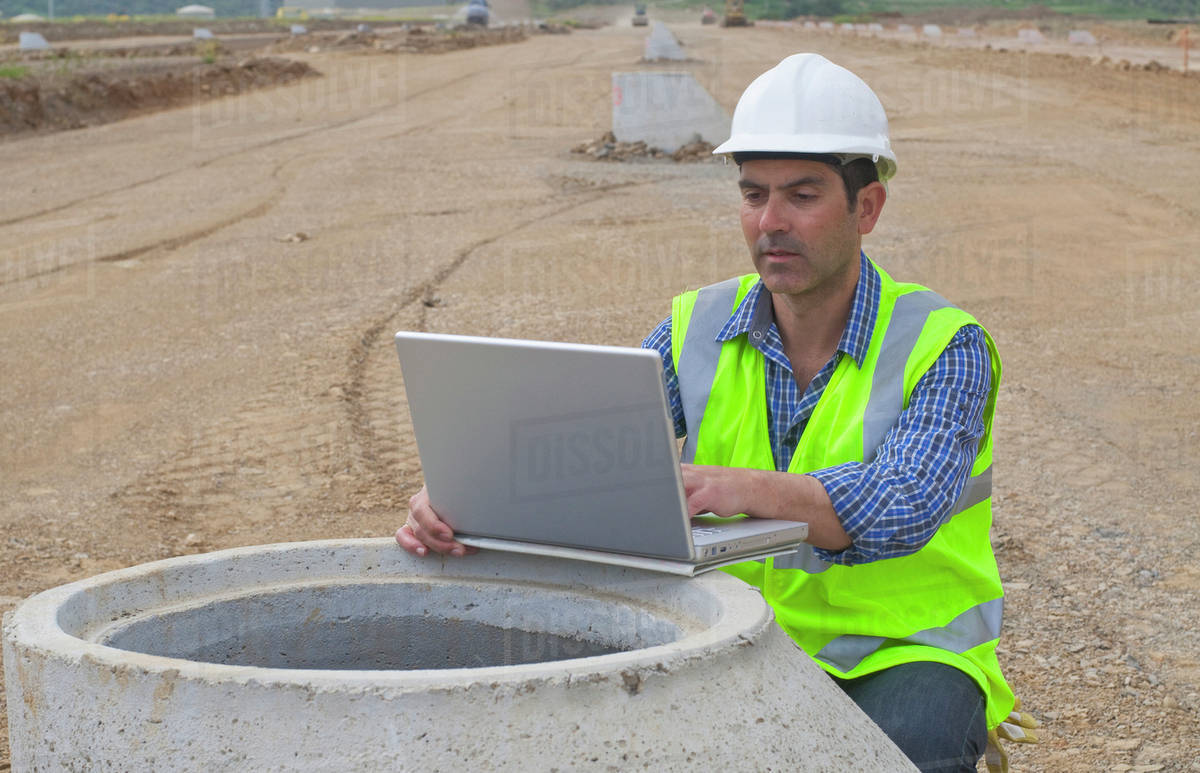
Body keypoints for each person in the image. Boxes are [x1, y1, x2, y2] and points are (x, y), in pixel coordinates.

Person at [398, 53, 1014, 773]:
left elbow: (903, 502)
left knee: (902, 756)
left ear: (867, 207)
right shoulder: (697, 323)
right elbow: (580, 448)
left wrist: (738, 486)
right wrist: (463, 495)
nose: (770, 222)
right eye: (754, 194)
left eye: (802, 195)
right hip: (729, 633)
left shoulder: (944, 343)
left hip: (902, 653)